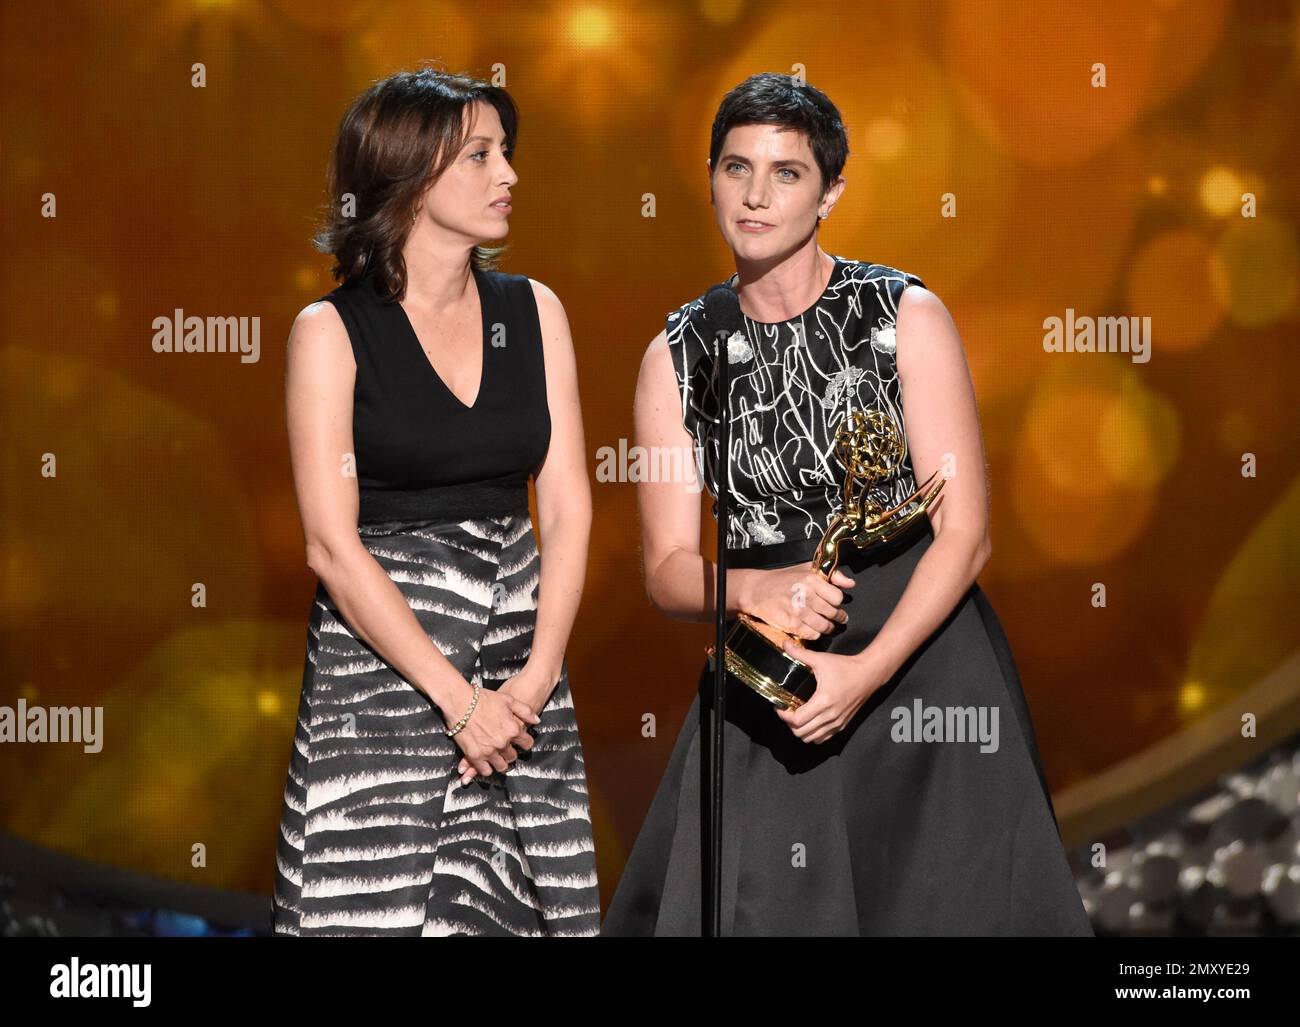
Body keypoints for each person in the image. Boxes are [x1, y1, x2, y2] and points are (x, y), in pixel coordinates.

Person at [602, 73, 1093, 936]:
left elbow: (966, 533)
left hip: (925, 664)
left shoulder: (903, 314)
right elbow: (669, 571)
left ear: (831, 191)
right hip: (774, 679)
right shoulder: (678, 355)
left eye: (786, 173)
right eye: (735, 168)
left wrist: (864, 676)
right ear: (709, 176)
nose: (754, 195)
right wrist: (755, 588)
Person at [271, 68, 600, 936]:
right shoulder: (330, 333)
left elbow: (566, 505)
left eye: (507, 153)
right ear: (411, 174)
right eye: (482, 155)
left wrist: (529, 684)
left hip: (523, 684)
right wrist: (460, 703)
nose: (510, 175)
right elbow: (332, 547)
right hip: (386, 687)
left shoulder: (534, 311)